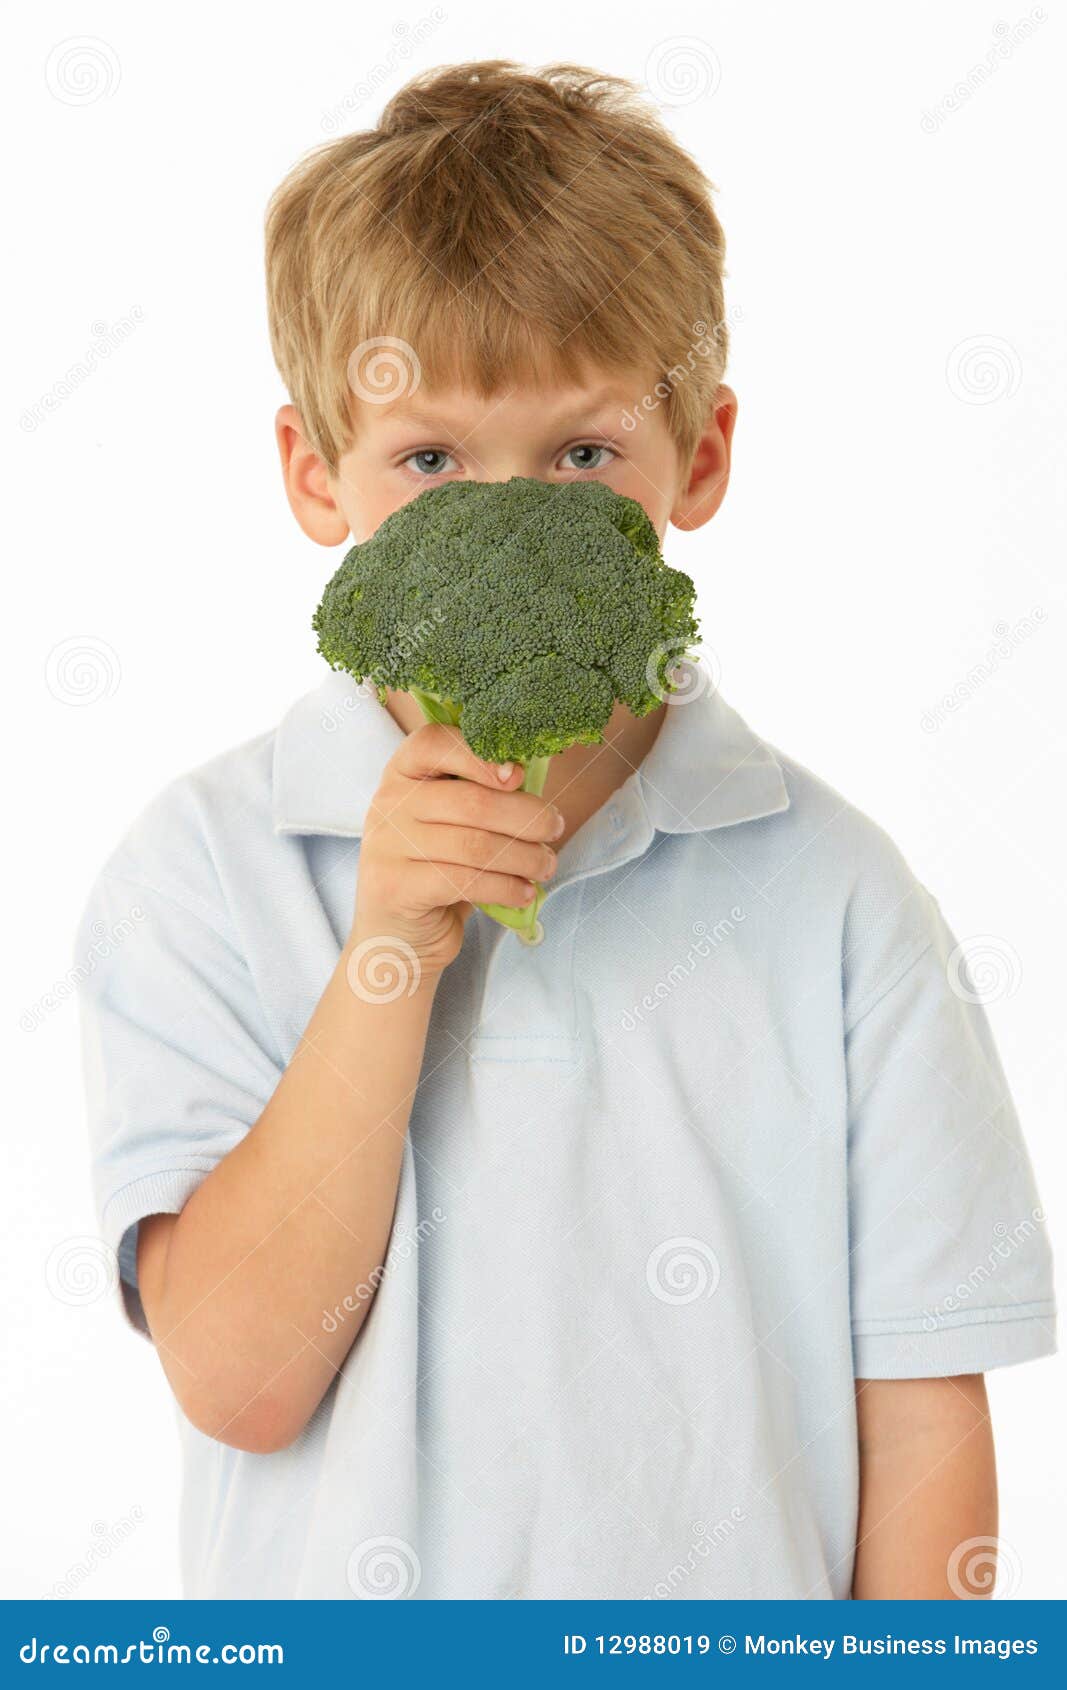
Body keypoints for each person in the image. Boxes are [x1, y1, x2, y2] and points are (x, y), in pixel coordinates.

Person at [76, 59, 1056, 1600]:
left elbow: (926, 1419)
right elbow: (240, 1381)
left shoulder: (843, 897)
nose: (509, 520)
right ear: (313, 477)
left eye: (582, 455)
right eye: (431, 460)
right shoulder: (202, 871)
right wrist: (389, 943)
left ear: (704, 457)